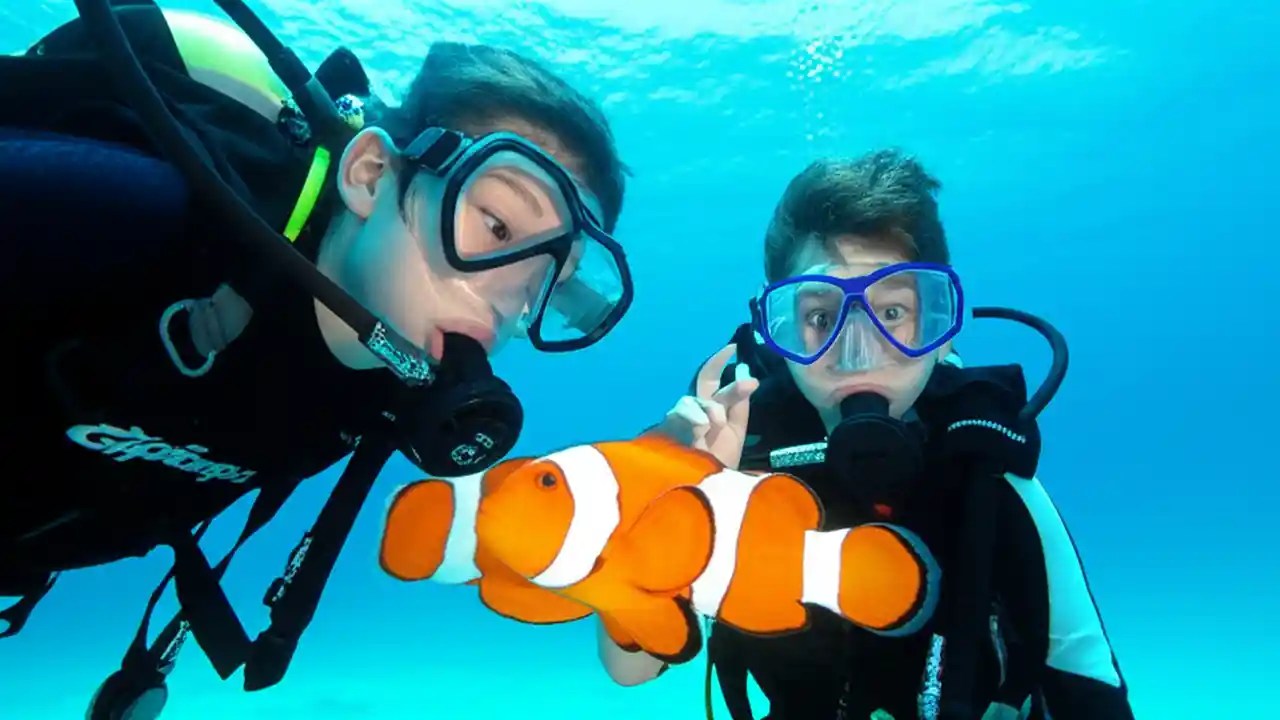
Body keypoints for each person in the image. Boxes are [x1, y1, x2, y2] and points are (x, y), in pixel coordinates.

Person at [0, 2, 632, 718]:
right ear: (371, 174)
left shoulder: (381, 398)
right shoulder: (127, 209)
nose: (505, 302)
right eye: (496, 224)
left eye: (548, 278)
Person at [600, 150, 1135, 720]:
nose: (858, 355)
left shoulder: (983, 460)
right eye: (821, 318)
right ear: (779, 330)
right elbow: (631, 669)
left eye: (894, 314)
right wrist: (674, 490)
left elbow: (1086, 677)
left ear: (938, 330)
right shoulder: (738, 454)